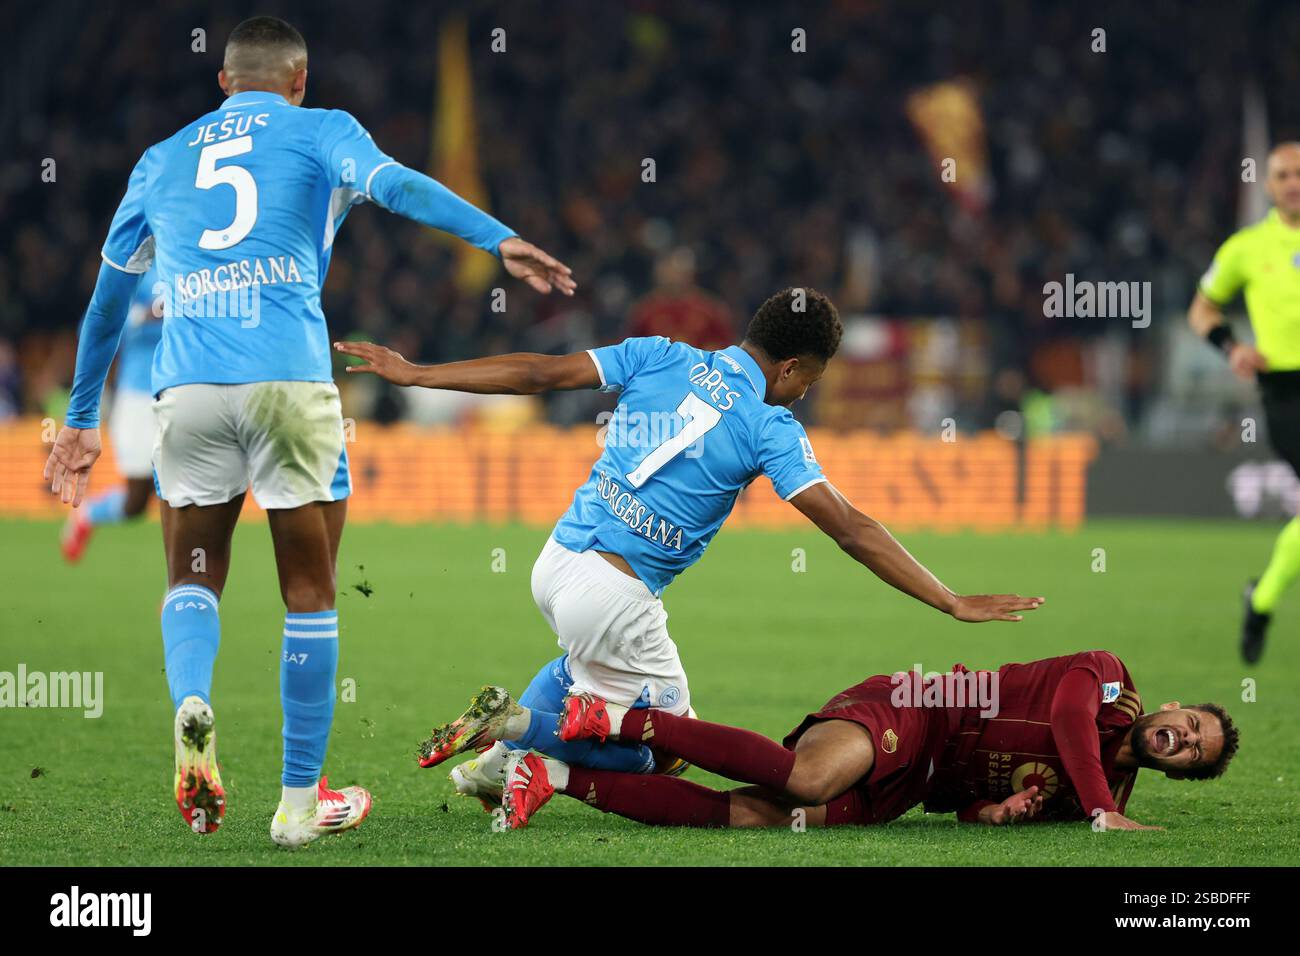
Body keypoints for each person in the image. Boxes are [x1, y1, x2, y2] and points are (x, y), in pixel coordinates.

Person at [42, 16, 574, 847]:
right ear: (299, 80)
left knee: (193, 572)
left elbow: (107, 302)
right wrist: (496, 237)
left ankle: (192, 698)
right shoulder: (325, 130)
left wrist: (79, 419)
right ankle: (298, 804)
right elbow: (398, 187)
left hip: (185, 388)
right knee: (310, 591)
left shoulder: (160, 157)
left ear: (222, 82)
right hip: (288, 381)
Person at [333, 287, 1043, 805]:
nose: (800, 396)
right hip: (614, 594)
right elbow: (851, 528)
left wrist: (418, 372)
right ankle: (519, 736)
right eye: (809, 383)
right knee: (670, 747)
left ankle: (496, 768)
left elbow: (540, 374)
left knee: (585, 669)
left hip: (556, 561)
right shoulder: (770, 427)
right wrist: (949, 600)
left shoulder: (658, 354)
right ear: (793, 369)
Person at [499, 650, 1238, 831]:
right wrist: (1104, 808)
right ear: (1174, 707)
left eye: (1195, 751)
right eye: (1195, 723)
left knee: (755, 818)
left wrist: (999, 812)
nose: (1185, 737)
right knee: (807, 780)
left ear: (1180, 773)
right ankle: (614, 720)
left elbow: (970, 812)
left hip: (914, 787)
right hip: (927, 707)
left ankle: (554, 780)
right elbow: (1070, 720)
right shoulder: (1106, 678)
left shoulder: (1086, 799)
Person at [1190, 142, 1300, 663]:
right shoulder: (1247, 248)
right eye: (1283, 174)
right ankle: (1261, 599)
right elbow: (1203, 309)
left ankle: (1260, 599)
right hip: (1286, 390)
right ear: (1268, 184)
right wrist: (1231, 348)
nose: (1293, 182)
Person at [61, 267, 163, 562]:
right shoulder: (139, 268)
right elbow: (89, 326)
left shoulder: (193, 258)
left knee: (182, 492)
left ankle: (183, 588)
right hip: (137, 399)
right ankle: (88, 514)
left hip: (184, 393)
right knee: (136, 503)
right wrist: (142, 316)